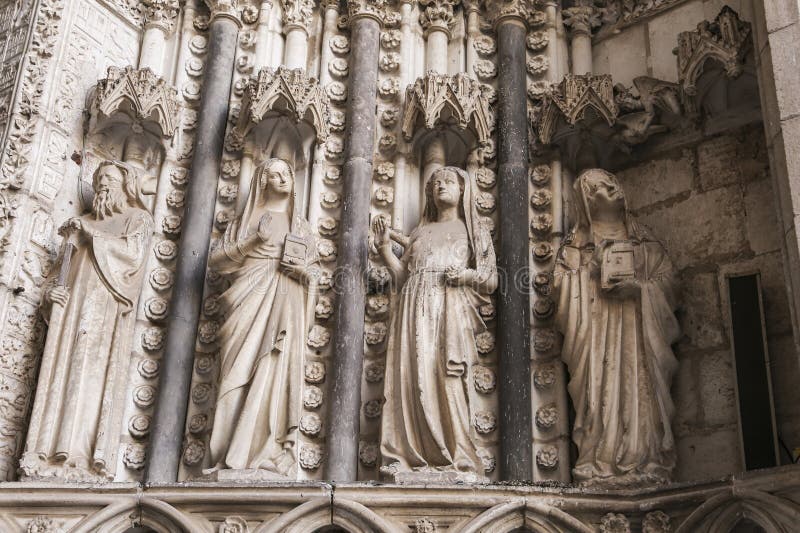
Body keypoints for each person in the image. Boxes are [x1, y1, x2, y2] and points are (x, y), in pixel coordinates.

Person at [21, 160, 153, 481]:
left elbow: (132, 259)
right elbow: (60, 274)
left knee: (88, 376)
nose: (102, 184)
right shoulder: (79, 225)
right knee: (61, 374)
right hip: (71, 312)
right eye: (98, 179)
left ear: (125, 186)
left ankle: (80, 454)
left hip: (103, 315)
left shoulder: (136, 219)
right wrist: (52, 295)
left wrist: (89, 233)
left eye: (109, 179)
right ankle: (45, 450)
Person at [554, 168, 680, 487]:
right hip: (595, 336)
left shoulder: (645, 243)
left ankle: (645, 457)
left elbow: (670, 284)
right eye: (596, 186)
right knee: (598, 395)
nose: (608, 187)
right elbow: (559, 290)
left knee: (641, 393)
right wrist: (588, 272)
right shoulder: (574, 248)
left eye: (610, 182)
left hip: (638, 335)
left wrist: (640, 290)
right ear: (585, 200)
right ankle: (599, 459)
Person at [376, 166, 497, 479]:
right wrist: (384, 249)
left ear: (462, 189)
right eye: (435, 183)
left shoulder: (472, 230)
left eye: (448, 182)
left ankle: (456, 456)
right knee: (410, 375)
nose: (441, 186)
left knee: (445, 380)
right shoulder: (420, 231)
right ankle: (409, 454)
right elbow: (402, 276)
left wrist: (466, 276)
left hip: (449, 308)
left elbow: (490, 279)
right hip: (413, 306)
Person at [206, 158, 318, 477]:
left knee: (274, 368)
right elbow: (216, 262)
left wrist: (301, 272)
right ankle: (231, 449)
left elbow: (314, 274)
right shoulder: (247, 220)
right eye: (274, 174)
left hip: (286, 302)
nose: (282, 179)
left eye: (287, 173)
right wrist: (253, 241)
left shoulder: (300, 226)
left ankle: (269, 449)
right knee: (235, 374)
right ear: (262, 181)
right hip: (248, 294)